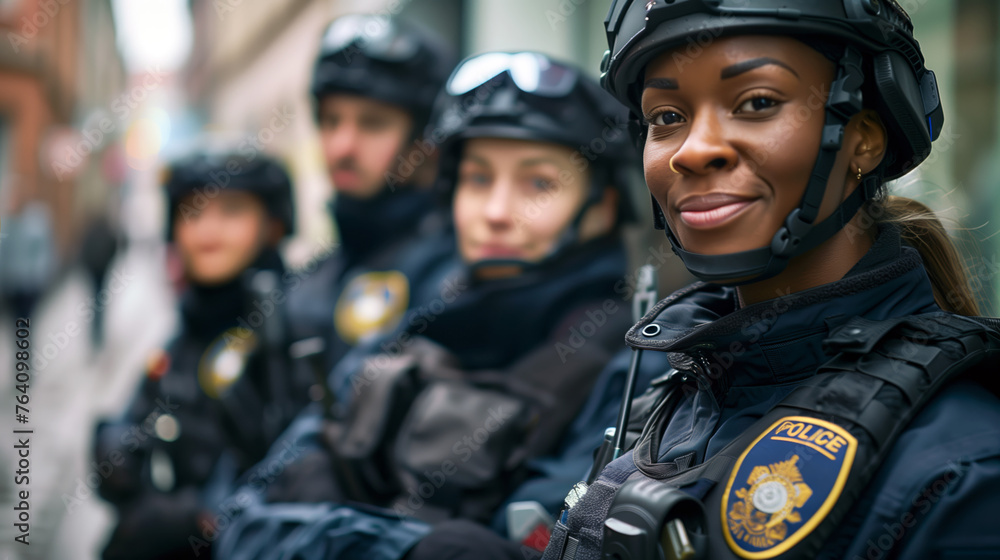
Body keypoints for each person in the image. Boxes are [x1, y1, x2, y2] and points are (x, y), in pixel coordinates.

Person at [531, 1, 1000, 559]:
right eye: (667, 118)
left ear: (865, 139)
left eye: (757, 102)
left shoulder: (963, 469)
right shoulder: (668, 395)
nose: (694, 150)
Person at [213, 52, 643, 560]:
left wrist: (325, 529)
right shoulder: (408, 332)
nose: (496, 212)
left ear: (605, 205)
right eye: (478, 179)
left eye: (538, 183)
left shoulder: (636, 369)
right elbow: (240, 524)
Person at [93, 150, 307, 560]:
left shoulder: (293, 328)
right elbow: (134, 419)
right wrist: (118, 460)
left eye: (231, 211)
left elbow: (298, 470)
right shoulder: (186, 330)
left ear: (274, 226)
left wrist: (200, 517)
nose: (208, 230)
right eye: (192, 212)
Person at [285, 14, 458, 381]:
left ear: (426, 141)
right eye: (331, 121)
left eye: (372, 123)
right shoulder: (313, 274)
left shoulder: (454, 275)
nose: (342, 146)